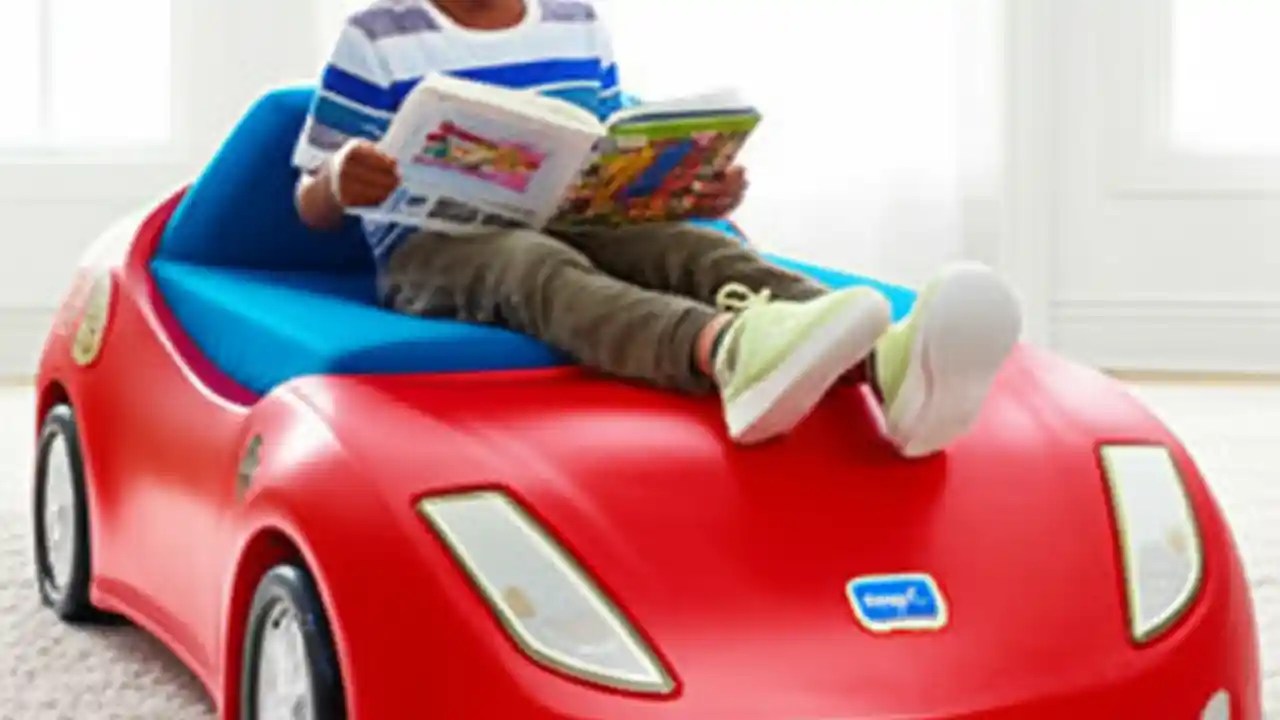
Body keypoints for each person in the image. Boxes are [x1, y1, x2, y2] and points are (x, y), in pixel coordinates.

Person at [294, 0, 1022, 456]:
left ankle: (887, 363)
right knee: (535, 269)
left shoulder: (575, 20)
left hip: (574, 215)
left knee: (692, 246)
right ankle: (727, 351)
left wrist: (688, 189)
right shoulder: (377, 35)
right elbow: (312, 198)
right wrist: (340, 177)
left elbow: (599, 147)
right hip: (435, 248)